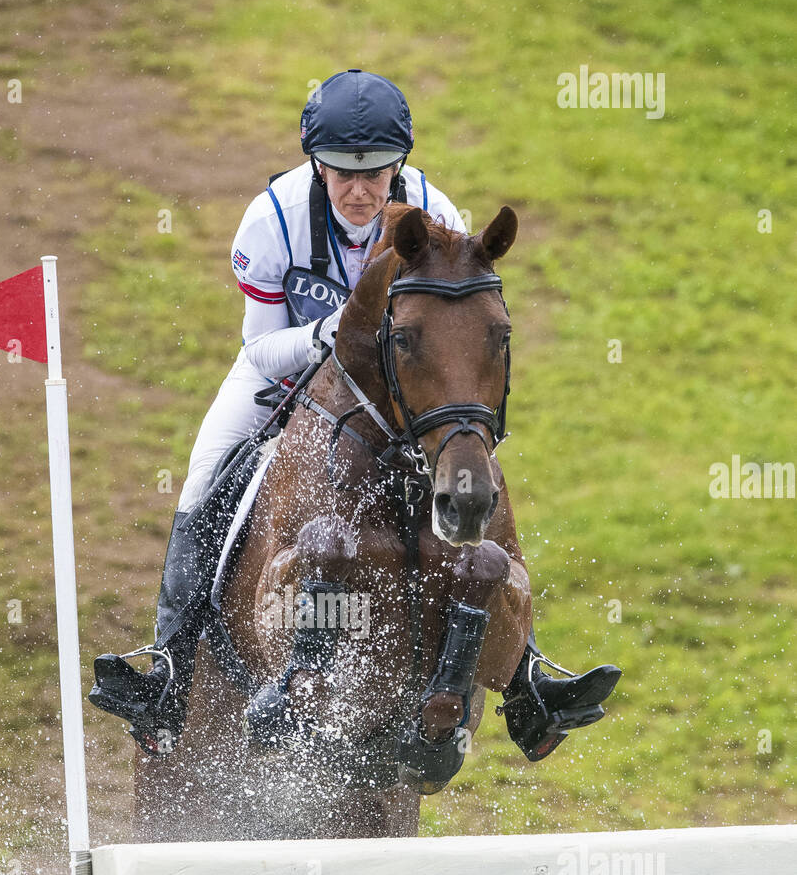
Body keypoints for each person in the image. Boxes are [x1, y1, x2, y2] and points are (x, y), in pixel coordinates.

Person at [90, 69, 620, 760]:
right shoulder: (273, 218)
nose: (361, 191)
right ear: (316, 161)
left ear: (398, 164)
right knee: (202, 480)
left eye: (377, 173)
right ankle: (167, 668)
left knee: (471, 480)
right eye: (343, 173)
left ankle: (527, 680)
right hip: (286, 374)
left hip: (392, 399)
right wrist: (335, 331)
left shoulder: (433, 209)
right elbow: (258, 346)